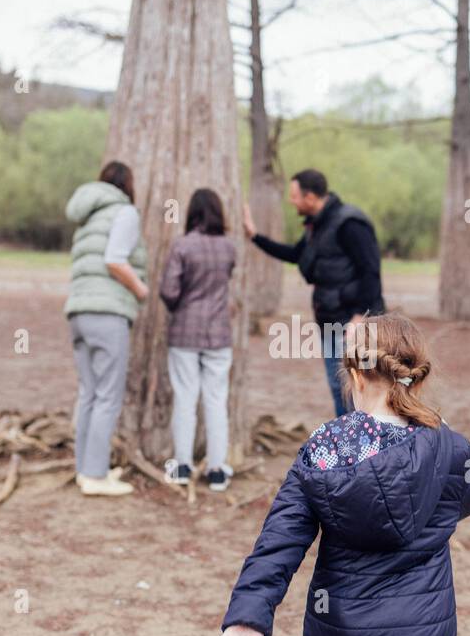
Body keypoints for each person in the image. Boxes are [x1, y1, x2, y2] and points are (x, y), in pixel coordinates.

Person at [215, 313, 470, 636]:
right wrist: (444, 443)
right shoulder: (447, 445)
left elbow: (282, 535)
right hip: (418, 631)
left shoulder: (325, 448)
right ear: (412, 373)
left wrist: (249, 615)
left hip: (342, 624)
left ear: (355, 373)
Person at [243, 168, 384, 417]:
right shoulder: (316, 227)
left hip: (354, 324)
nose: (291, 201)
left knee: (361, 390)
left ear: (310, 197)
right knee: (339, 388)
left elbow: (371, 271)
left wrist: (360, 317)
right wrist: (255, 237)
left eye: (294, 196)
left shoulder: (350, 223)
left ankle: (368, 450)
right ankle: (347, 447)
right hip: (329, 321)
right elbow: (295, 255)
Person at [63, 160, 149, 497]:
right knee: (108, 396)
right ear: (127, 184)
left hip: (78, 312)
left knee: (88, 392)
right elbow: (115, 260)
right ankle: (96, 476)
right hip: (107, 312)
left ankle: (85, 469)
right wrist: (141, 290)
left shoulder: (87, 217)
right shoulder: (124, 212)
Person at [159, 188, 238, 492]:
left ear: (191, 212)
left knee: (185, 397)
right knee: (216, 400)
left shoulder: (182, 246)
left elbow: (168, 290)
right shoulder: (229, 248)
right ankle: (217, 470)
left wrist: (180, 304)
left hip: (184, 333)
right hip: (218, 334)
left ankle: (181, 466)